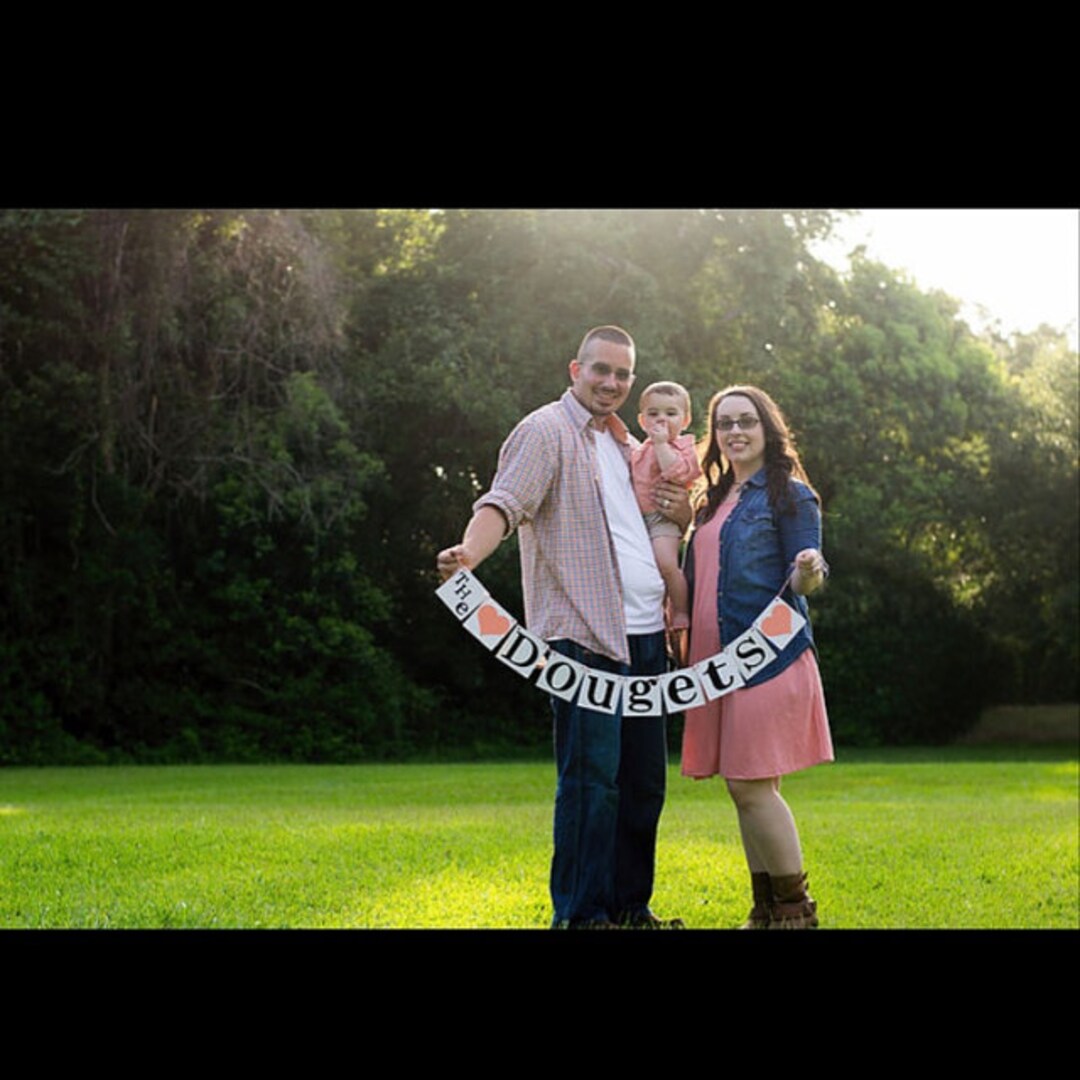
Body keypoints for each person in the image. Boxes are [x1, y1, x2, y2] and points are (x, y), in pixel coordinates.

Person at [436, 326, 689, 929]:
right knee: (591, 785)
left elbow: (653, 524)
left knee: (643, 784)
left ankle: (630, 908)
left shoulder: (625, 443)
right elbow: (505, 502)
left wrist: (682, 515)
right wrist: (469, 554)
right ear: (575, 368)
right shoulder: (545, 430)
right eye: (601, 370)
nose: (612, 383)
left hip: (645, 639)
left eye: (623, 374)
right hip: (582, 637)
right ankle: (580, 917)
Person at [681, 384, 833, 929]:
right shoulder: (712, 500)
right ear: (715, 435)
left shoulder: (791, 495)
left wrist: (809, 570)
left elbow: (805, 577)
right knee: (743, 786)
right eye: (724, 423)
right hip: (714, 659)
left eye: (746, 421)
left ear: (768, 429)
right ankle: (765, 909)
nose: (735, 432)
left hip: (764, 655)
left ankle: (796, 911)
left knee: (750, 784)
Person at [630, 381, 702, 665]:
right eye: (654, 414)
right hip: (638, 520)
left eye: (671, 414)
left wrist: (661, 443)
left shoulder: (682, 447)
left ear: (685, 420)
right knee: (647, 574)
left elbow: (676, 472)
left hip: (663, 517)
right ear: (642, 420)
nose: (662, 420)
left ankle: (681, 611)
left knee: (666, 563)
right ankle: (661, 618)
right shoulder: (638, 449)